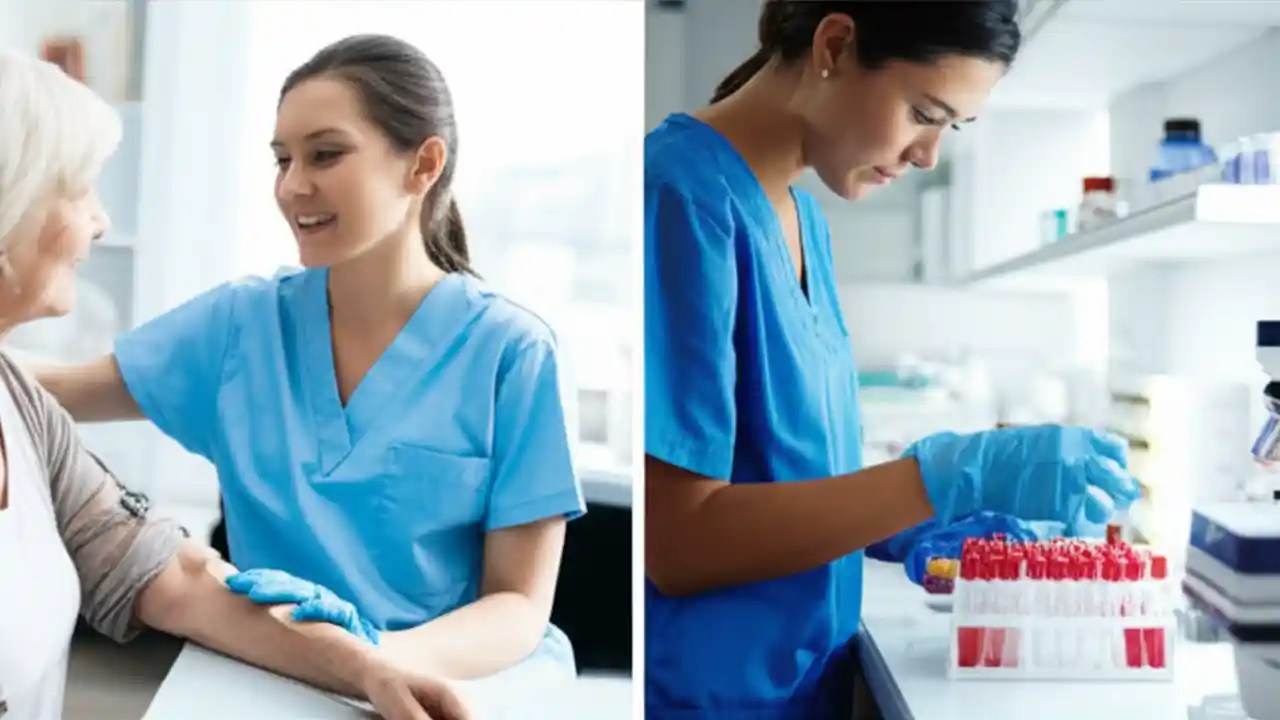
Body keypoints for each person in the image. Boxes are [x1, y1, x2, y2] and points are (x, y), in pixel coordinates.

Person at [37, 34, 585, 696]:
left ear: (423, 165)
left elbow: (520, 609)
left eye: (325, 154)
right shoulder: (241, 324)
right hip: (273, 671)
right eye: (281, 159)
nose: (294, 186)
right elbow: (50, 392)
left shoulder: (512, 354)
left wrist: (379, 655)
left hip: (451, 677)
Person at [643, 2, 1140, 718]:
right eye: (922, 112)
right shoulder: (680, 197)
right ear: (837, 45)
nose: (927, 154)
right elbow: (679, 542)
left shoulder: (802, 217)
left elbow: (787, 474)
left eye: (950, 127)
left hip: (802, 691)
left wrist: (900, 520)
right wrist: (936, 480)